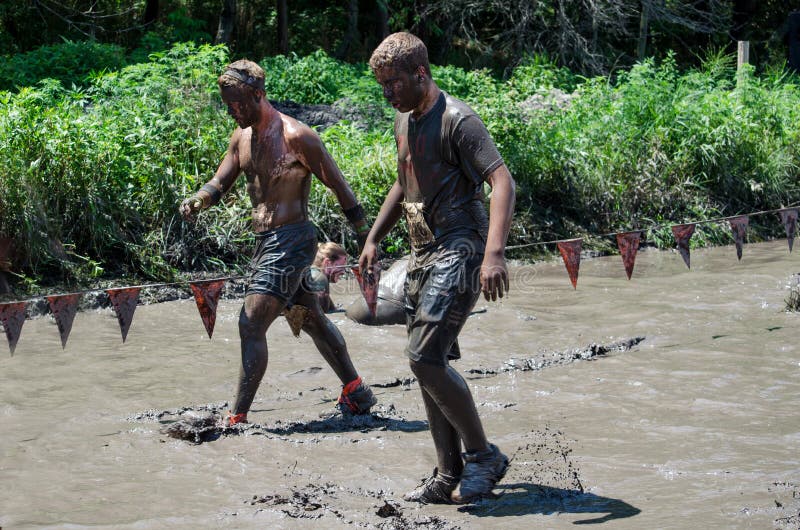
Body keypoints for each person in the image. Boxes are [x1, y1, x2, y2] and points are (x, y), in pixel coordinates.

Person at [360, 33, 516, 504]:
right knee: (431, 361)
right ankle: (448, 473)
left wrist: (493, 254)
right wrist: (373, 237)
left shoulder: (458, 120)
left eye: (394, 83)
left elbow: (502, 181)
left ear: (421, 74)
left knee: (424, 358)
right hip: (422, 252)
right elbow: (403, 180)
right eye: (383, 85)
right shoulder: (404, 121)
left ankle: (483, 456)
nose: (388, 93)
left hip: (461, 246)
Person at [179, 59, 377, 424]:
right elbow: (221, 180)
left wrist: (368, 239)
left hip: (293, 241)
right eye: (227, 105)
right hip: (265, 243)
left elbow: (340, 186)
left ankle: (237, 417)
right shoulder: (241, 137)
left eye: (238, 104)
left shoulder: (296, 136)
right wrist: (200, 199)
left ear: (258, 95)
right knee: (311, 319)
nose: (233, 111)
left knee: (251, 323)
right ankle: (357, 391)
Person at [307, 242, 349, 313]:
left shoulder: (315, 274)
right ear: (327, 263)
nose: (343, 272)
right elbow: (323, 311)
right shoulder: (319, 278)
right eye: (341, 267)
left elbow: (331, 309)